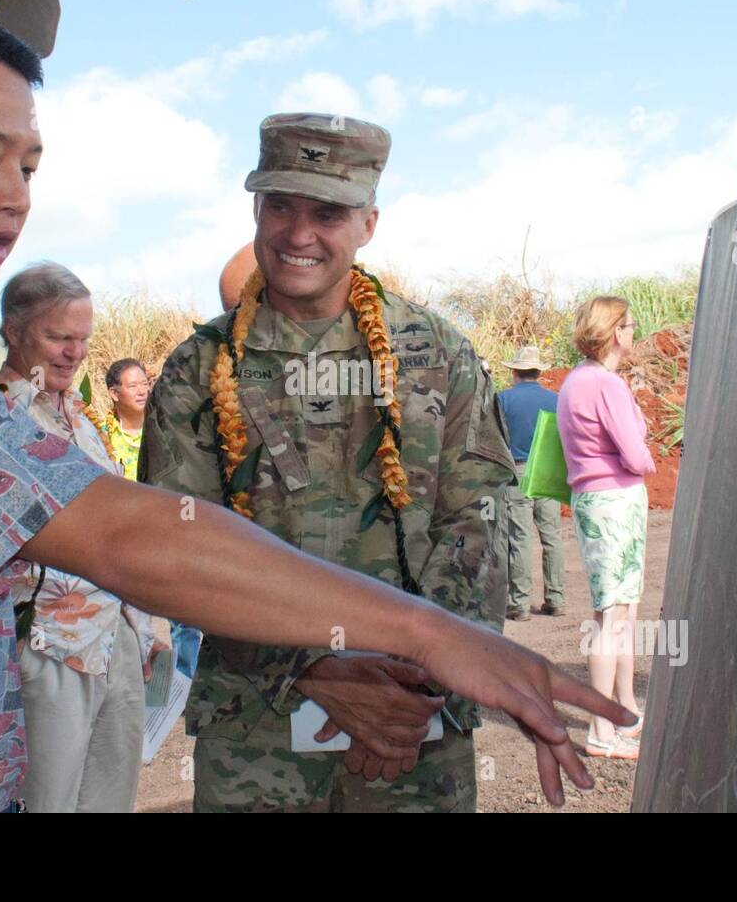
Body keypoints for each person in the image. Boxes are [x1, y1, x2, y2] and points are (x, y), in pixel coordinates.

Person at [0, 10, 631, 812]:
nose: (15, 196)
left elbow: (472, 518)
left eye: (29, 165)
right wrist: (429, 635)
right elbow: (134, 538)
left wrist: (427, 674)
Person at [143, 112, 519, 813]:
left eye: (328, 211)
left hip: (413, 733)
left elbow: (481, 527)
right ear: (255, 206)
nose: (298, 232)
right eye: (279, 204)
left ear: (368, 222)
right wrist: (313, 668)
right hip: (259, 736)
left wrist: (406, 690)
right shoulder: (198, 370)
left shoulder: (439, 356)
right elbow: (174, 550)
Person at [0, 263, 160, 812]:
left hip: (116, 636)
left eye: (82, 339)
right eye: (58, 337)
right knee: (49, 801)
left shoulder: (82, 423)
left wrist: (141, 623)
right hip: (48, 642)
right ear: (14, 332)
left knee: (111, 798)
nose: (74, 352)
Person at [556, 297, 656, 759]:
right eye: (630, 326)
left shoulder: (577, 381)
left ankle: (624, 711)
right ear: (617, 332)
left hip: (595, 502)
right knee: (613, 617)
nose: (633, 333)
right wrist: (646, 456)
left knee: (619, 613)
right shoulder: (607, 385)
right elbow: (635, 455)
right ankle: (601, 728)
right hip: (616, 501)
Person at [100, 357, 202, 680]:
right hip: (123, 542)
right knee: (131, 616)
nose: (142, 391)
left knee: (185, 614)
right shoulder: (100, 436)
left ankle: (185, 683)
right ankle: (135, 680)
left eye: (145, 384)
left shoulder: (166, 429)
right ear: (114, 393)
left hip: (167, 534)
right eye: (133, 386)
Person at [498, 345, 566, 621]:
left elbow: (497, 436)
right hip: (547, 470)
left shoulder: (502, 399)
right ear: (539, 372)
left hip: (517, 471)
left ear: (514, 372)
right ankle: (556, 599)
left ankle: (520, 603)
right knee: (552, 537)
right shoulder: (555, 400)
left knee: (520, 537)